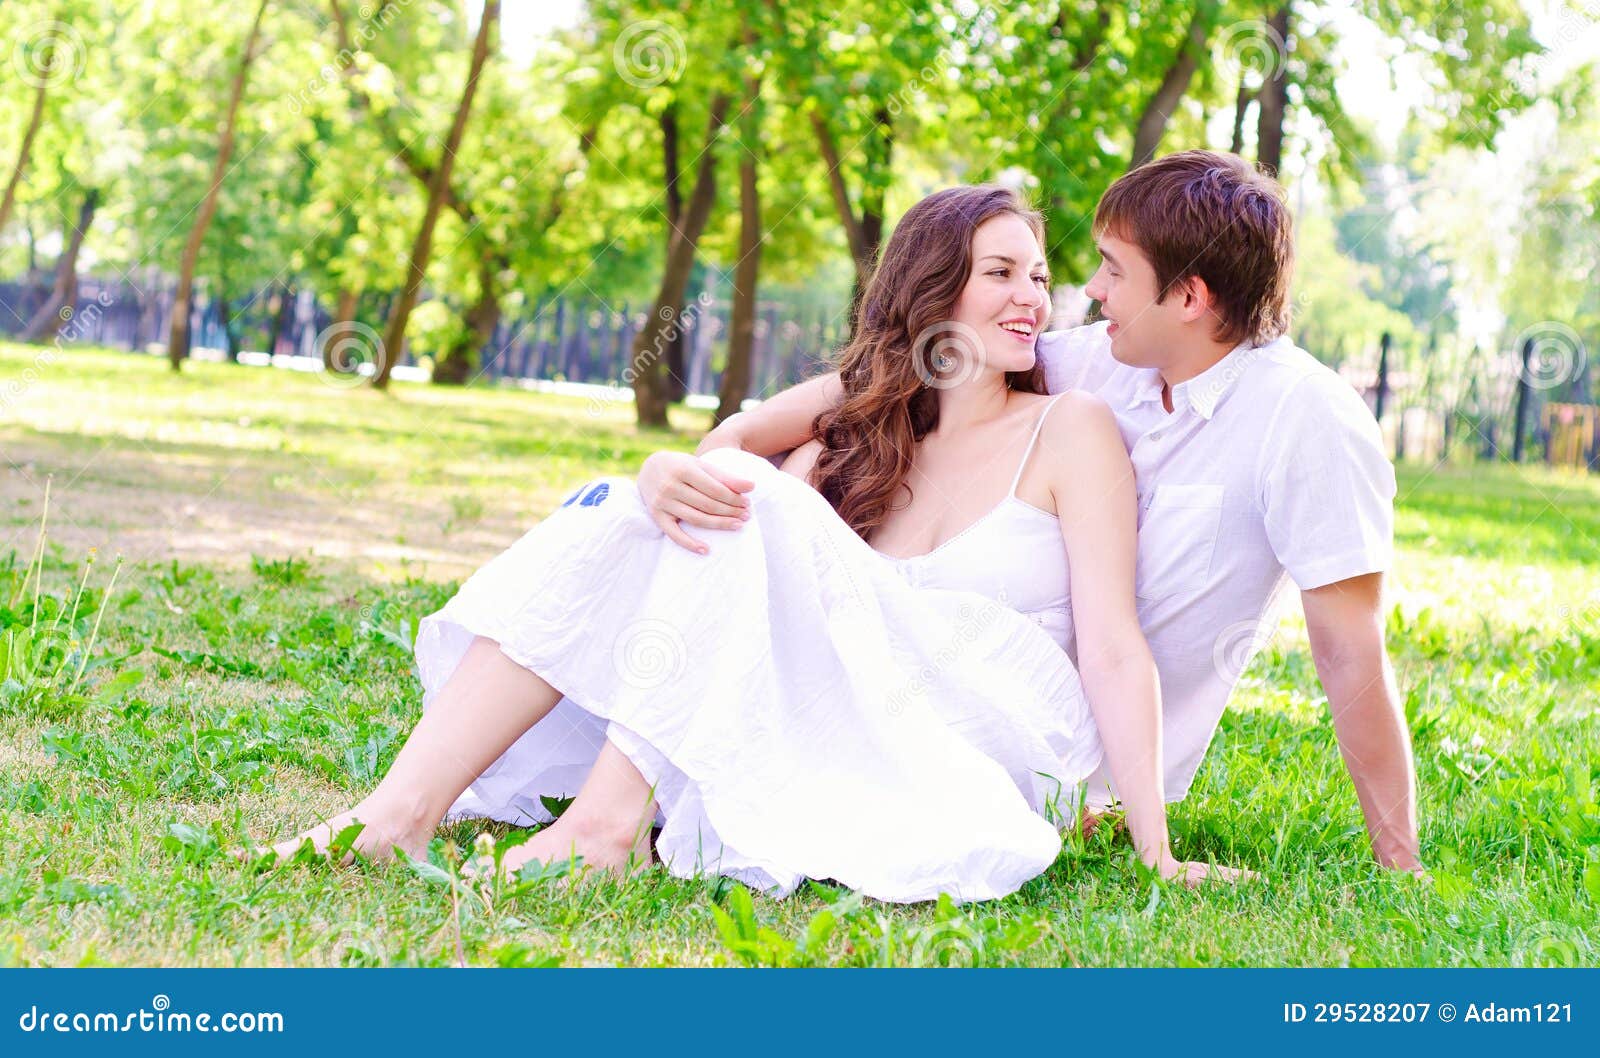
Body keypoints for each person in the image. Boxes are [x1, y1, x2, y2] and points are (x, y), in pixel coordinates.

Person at [247, 184, 1251, 901]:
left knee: (748, 493)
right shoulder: (869, 417)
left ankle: (601, 828)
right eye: (1001, 272)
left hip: (993, 718)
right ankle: (397, 813)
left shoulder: (1070, 428)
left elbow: (1112, 644)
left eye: (1041, 275)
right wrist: (658, 474)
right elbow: (725, 449)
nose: (1033, 296)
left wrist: (1152, 845)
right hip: (864, 692)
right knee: (638, 502)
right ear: (933, 287)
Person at [641, 149, 1426, 876]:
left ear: (1189, 297)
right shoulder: (1101, 360)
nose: (1089, 292)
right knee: (746, 497)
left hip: (1063, 756)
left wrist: (1400, 865)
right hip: (948, 696)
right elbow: (892, 374)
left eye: (1113, 269)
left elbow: (1350, 653)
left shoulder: (1308, 420)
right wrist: (713, 448)